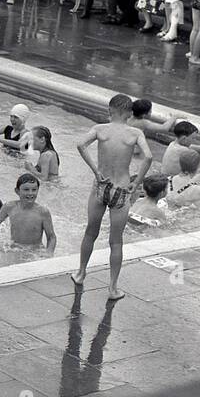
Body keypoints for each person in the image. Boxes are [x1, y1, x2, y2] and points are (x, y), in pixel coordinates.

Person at [71, 93, 152, 301]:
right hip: (121, 189)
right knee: (116, 242)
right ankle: (113, 288)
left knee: (90, 232)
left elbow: (80, 145)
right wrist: (136, 182)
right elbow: (149, 157)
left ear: (110, 110)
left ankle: (80, 273)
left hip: (101, 185)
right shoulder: (134, 133)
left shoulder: (100, 129)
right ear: (129, 113)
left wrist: (96, 171)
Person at [0, 173, 56, 250]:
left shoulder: (43, 212)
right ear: (17, 191)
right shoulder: (9, 207)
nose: (30, 193)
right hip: (15, 249)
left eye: (34, 190)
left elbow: (51, 237)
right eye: (26, 190)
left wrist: (48, 253)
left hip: (35, 251)